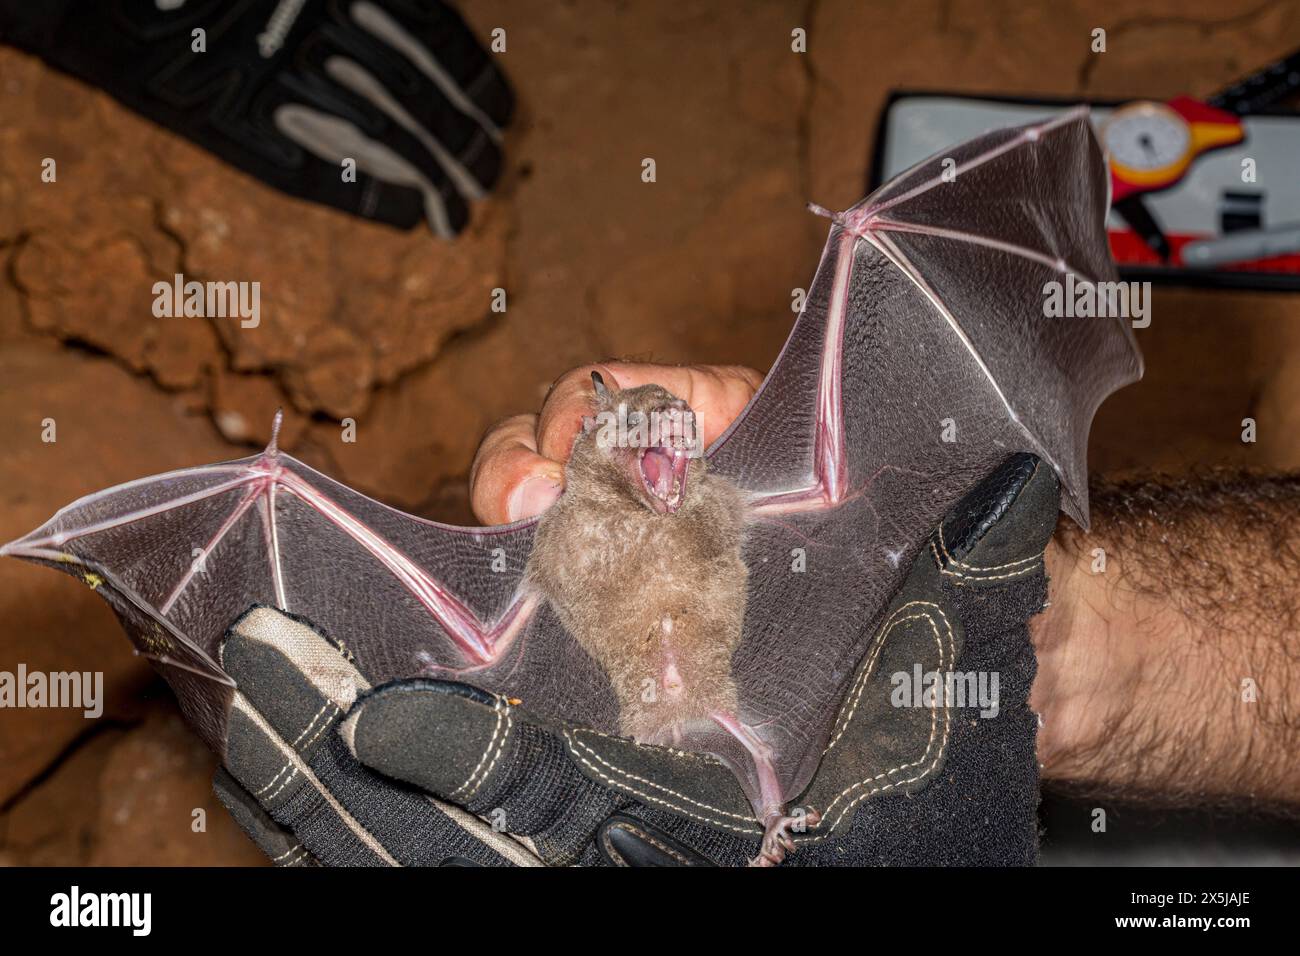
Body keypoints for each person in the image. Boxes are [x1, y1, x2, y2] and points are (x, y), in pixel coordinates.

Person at [213, 360, 1299, 867]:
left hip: (763, 688)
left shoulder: (748, 502)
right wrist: (1049, 639)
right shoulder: (559, 539)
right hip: (620, 704)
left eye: (666, 448)